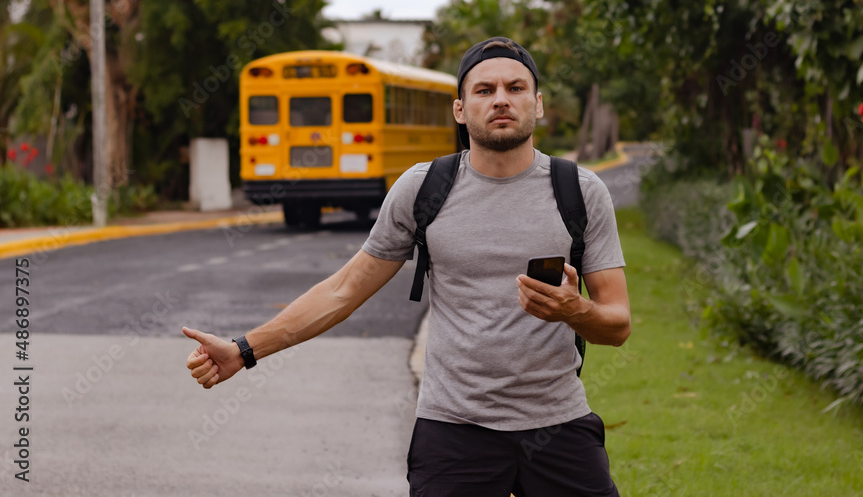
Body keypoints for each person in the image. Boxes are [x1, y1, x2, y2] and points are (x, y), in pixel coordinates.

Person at [183, 36, 631, 496]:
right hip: (454, 431)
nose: (500, 99)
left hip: (558, 424)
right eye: (484, 90)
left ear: (537, 104)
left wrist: (574, 311)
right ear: (460, 109)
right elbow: (343, 291)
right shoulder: (423, 189)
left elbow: (618, 326)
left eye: (516, 88)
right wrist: (243, 350)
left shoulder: (580, 191)